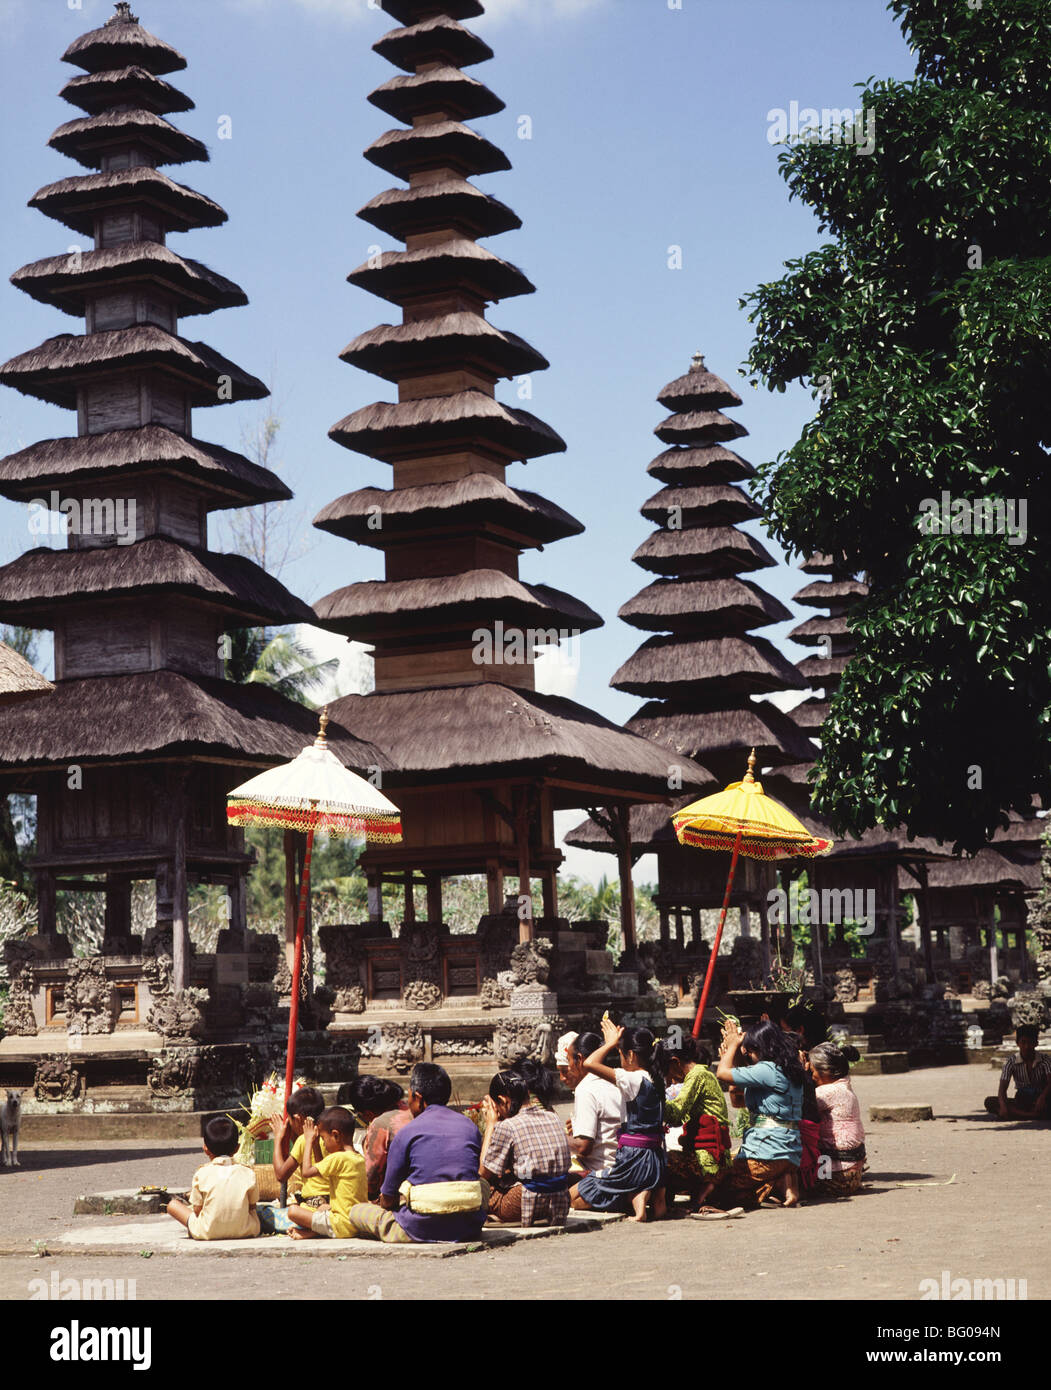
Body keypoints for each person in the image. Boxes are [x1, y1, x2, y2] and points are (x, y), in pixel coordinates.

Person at [343, 1063, 488, 1244]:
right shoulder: (470, 1126)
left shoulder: (407, 1132)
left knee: (356, 1211)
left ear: (418, 1098)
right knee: (481, 1184)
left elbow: (387, 1199)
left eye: (410, 1094)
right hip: (469, 1227)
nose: (408, 1100)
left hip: (420, 1229)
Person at [570, 1018, 667, 1223]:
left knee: (574, 1195)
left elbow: (589, 1064)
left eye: (621, 1054)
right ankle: (648, 1200)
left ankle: (638, 1198)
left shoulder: (633, 1079)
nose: (619, 1059)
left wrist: (610, 1043)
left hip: (634, 1159)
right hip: (655, 1158)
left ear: (630, 1055)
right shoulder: (656, 1078)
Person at [711, 1018, 804, 1212]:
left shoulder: (767, 1070)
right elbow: (738, 1100)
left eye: (750, 1052)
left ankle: (774, 1186)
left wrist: (733, 1046)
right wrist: (736, 1053)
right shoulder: (790, 1068)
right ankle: (784, 1182)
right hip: (787, 1151)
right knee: (727, 1165)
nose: (749, 1057)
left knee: (716, 1183)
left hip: (768, 1151)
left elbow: (722, 1073)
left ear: (760, 1050)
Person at [480, 1059, 570, 1227]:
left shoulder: (508, 1126)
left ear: (503, 1101)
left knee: (481, 1189)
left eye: (497, 1106)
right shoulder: (553, 1116)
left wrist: (491, 1125)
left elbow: (483, 1173)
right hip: (560, 1199)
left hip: (527, 1200)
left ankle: (502, 1216)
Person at [656, 1035, 732, 1212]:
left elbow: (675, 1114)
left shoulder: (697, 1075)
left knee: (661, 1161)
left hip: (711, 1158)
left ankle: (705, 1189)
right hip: (707, 1154)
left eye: (665, 1069)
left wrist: (656, 1093)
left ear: (674, 1062)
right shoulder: (700, 1073)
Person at [166, 1114, 260, 1240]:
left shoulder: (201, 1173)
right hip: (245, 1230)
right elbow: (252, 1207)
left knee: (172, 1205)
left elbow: (197, 1210)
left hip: (207, 1231)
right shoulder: (248, 1172)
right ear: (237, 1148)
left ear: (205, 1149)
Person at [286, 1107, 366, 1239]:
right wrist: (316, 1144)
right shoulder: (357, 1158)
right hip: (355, 1223)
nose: (322, 1142)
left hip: (341, 1224)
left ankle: (317, 1232)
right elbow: (321, 1170)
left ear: (336, 1135)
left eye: (323, 1138)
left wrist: (309, 1141)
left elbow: (306, 1171)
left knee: (293, 1211)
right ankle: (315, 1232)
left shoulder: (338, 1158)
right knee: (322, 1208)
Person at [557, 1030, 622, 1177]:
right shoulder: (617, 1081)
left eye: (569, 1061)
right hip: (622, 1167)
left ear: (579, 1059)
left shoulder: (586, 1088)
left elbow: (583, 1147)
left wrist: (554, 1135)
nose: (569, 1067)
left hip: (601, 1172)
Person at [341, 1075, 413, 1201]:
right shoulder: (410, 1109)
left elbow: (371, 1183)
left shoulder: (381, 1124)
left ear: (368, 1113)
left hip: (405, 1198)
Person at [808, 1041, 866, 1197]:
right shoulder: (844, 1087)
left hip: (836, 1177)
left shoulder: (828, 1092)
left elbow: (798, 1107)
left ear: (826, 1071)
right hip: (852, 1173)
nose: (811, 1076)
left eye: (812, 1071)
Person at [269, 1085, 327, 1206]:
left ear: (298, 1118)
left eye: (290, 1120)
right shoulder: (330, 1134)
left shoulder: (304, 1140)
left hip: (314, 1202)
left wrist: (278, 1138)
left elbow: (281, 1175)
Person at [985, 1026, 1051, 1120]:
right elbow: (1002, 1089)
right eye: (1023, 1042)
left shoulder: (1045, 1059)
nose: (1027, 1046)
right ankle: (1032, 1115)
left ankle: (1019, 1114)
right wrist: (1003, 1106)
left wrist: (1042, 1097)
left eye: (1030, 1043)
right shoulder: (1011, 1062)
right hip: (1022, 1100)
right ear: (1017, 1043)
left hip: (1042, 1099)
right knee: (990, 1102)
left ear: (1036, 1043)